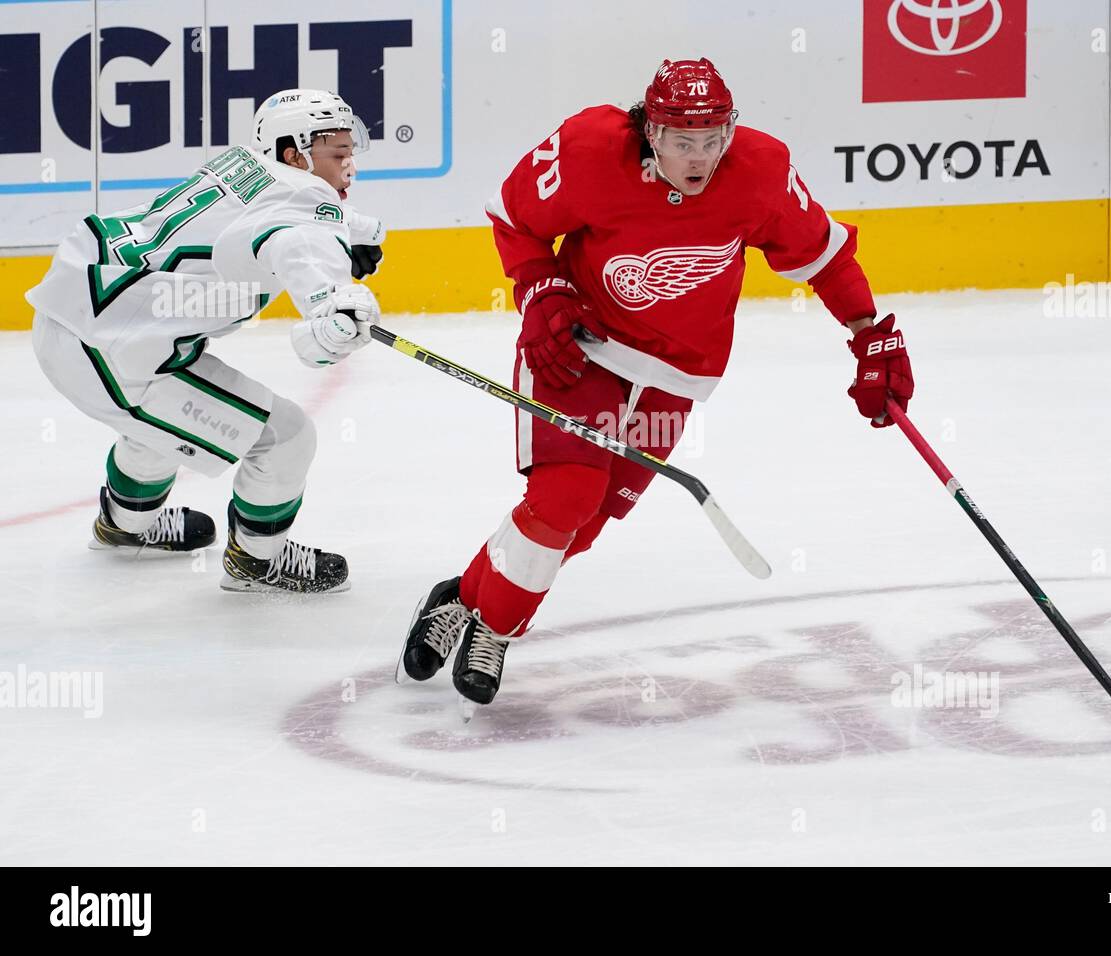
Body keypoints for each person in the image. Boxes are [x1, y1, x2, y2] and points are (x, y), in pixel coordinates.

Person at [397, 58, 914, 705]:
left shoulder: (759, 170)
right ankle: (495, 629)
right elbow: (514, 214)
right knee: (567, 497)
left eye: (711, 140)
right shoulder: (591, 151)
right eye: (680, 142)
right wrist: (540, 286)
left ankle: (464, 595)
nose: (698, 159)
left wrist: (870, 334)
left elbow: (825, 255)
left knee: (585, 524)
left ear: (730, 130)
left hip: (679, 372)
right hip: (580, 345)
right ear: (650, 132)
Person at [27, 88, 386, 593]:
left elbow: (273, 223)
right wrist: (333, 308)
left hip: (77, 315)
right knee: (286, 437)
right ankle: (257, 562)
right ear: (294, 154)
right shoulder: (306, 206)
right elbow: (299, 244)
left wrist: (349, 231)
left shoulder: (239, 165)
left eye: (351, 152)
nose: (350, 167)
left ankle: (125, 524)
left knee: (158, 427)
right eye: (337, 154)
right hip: (116, 352)